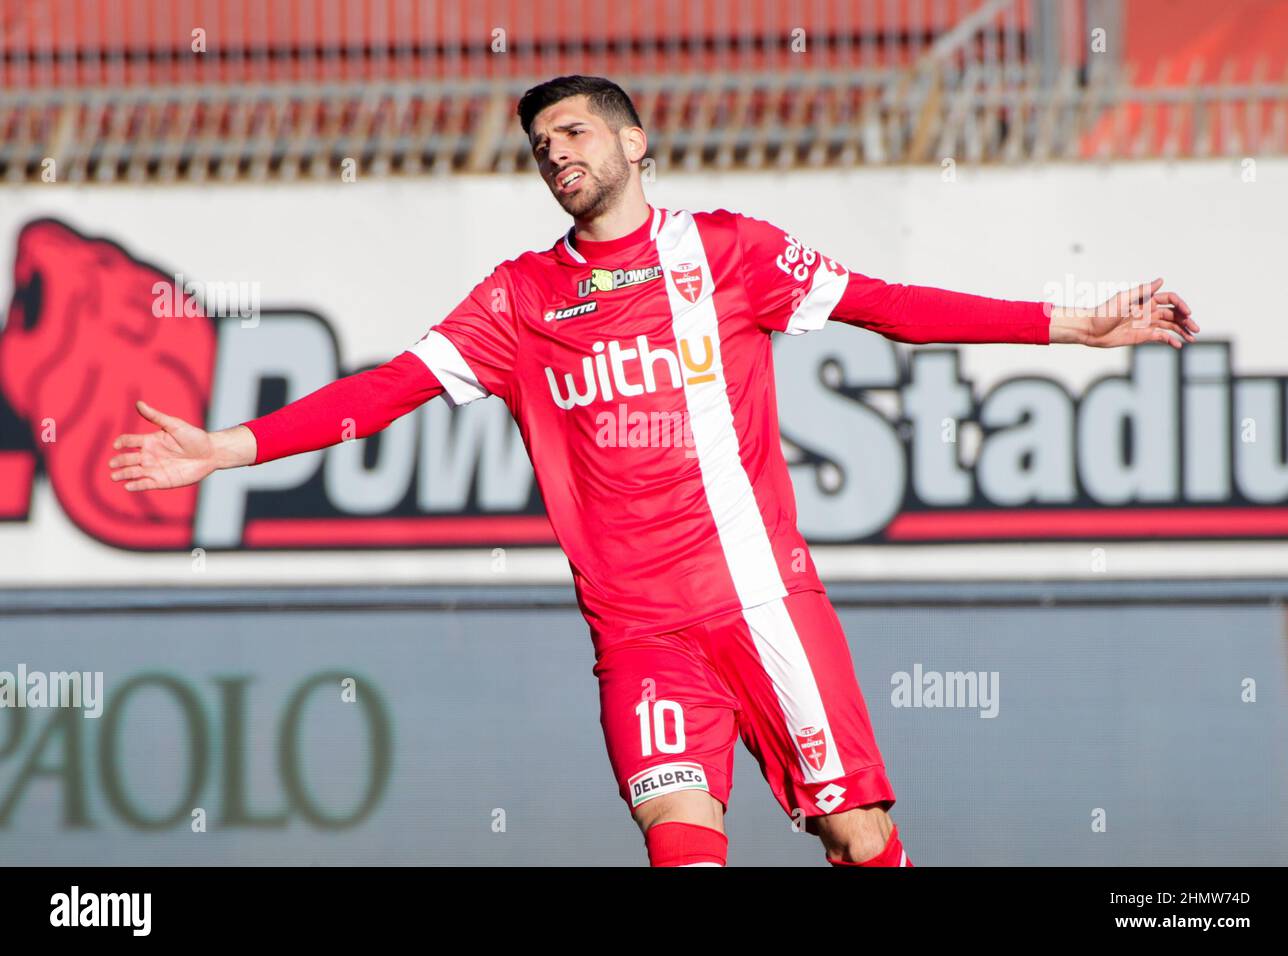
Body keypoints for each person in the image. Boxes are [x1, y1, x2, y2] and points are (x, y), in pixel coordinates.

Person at [108, 74, 1196, 867]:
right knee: (681, 847)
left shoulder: (728, 252)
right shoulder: (518, 300)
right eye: (540, 144)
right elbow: (385, 388)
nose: (555, 152)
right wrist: (226, 447)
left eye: (574, 130)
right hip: (639, 636)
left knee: (860, 835)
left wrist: (1075, 324)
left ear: (637, 142)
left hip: (761, 604)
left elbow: (891, 308)